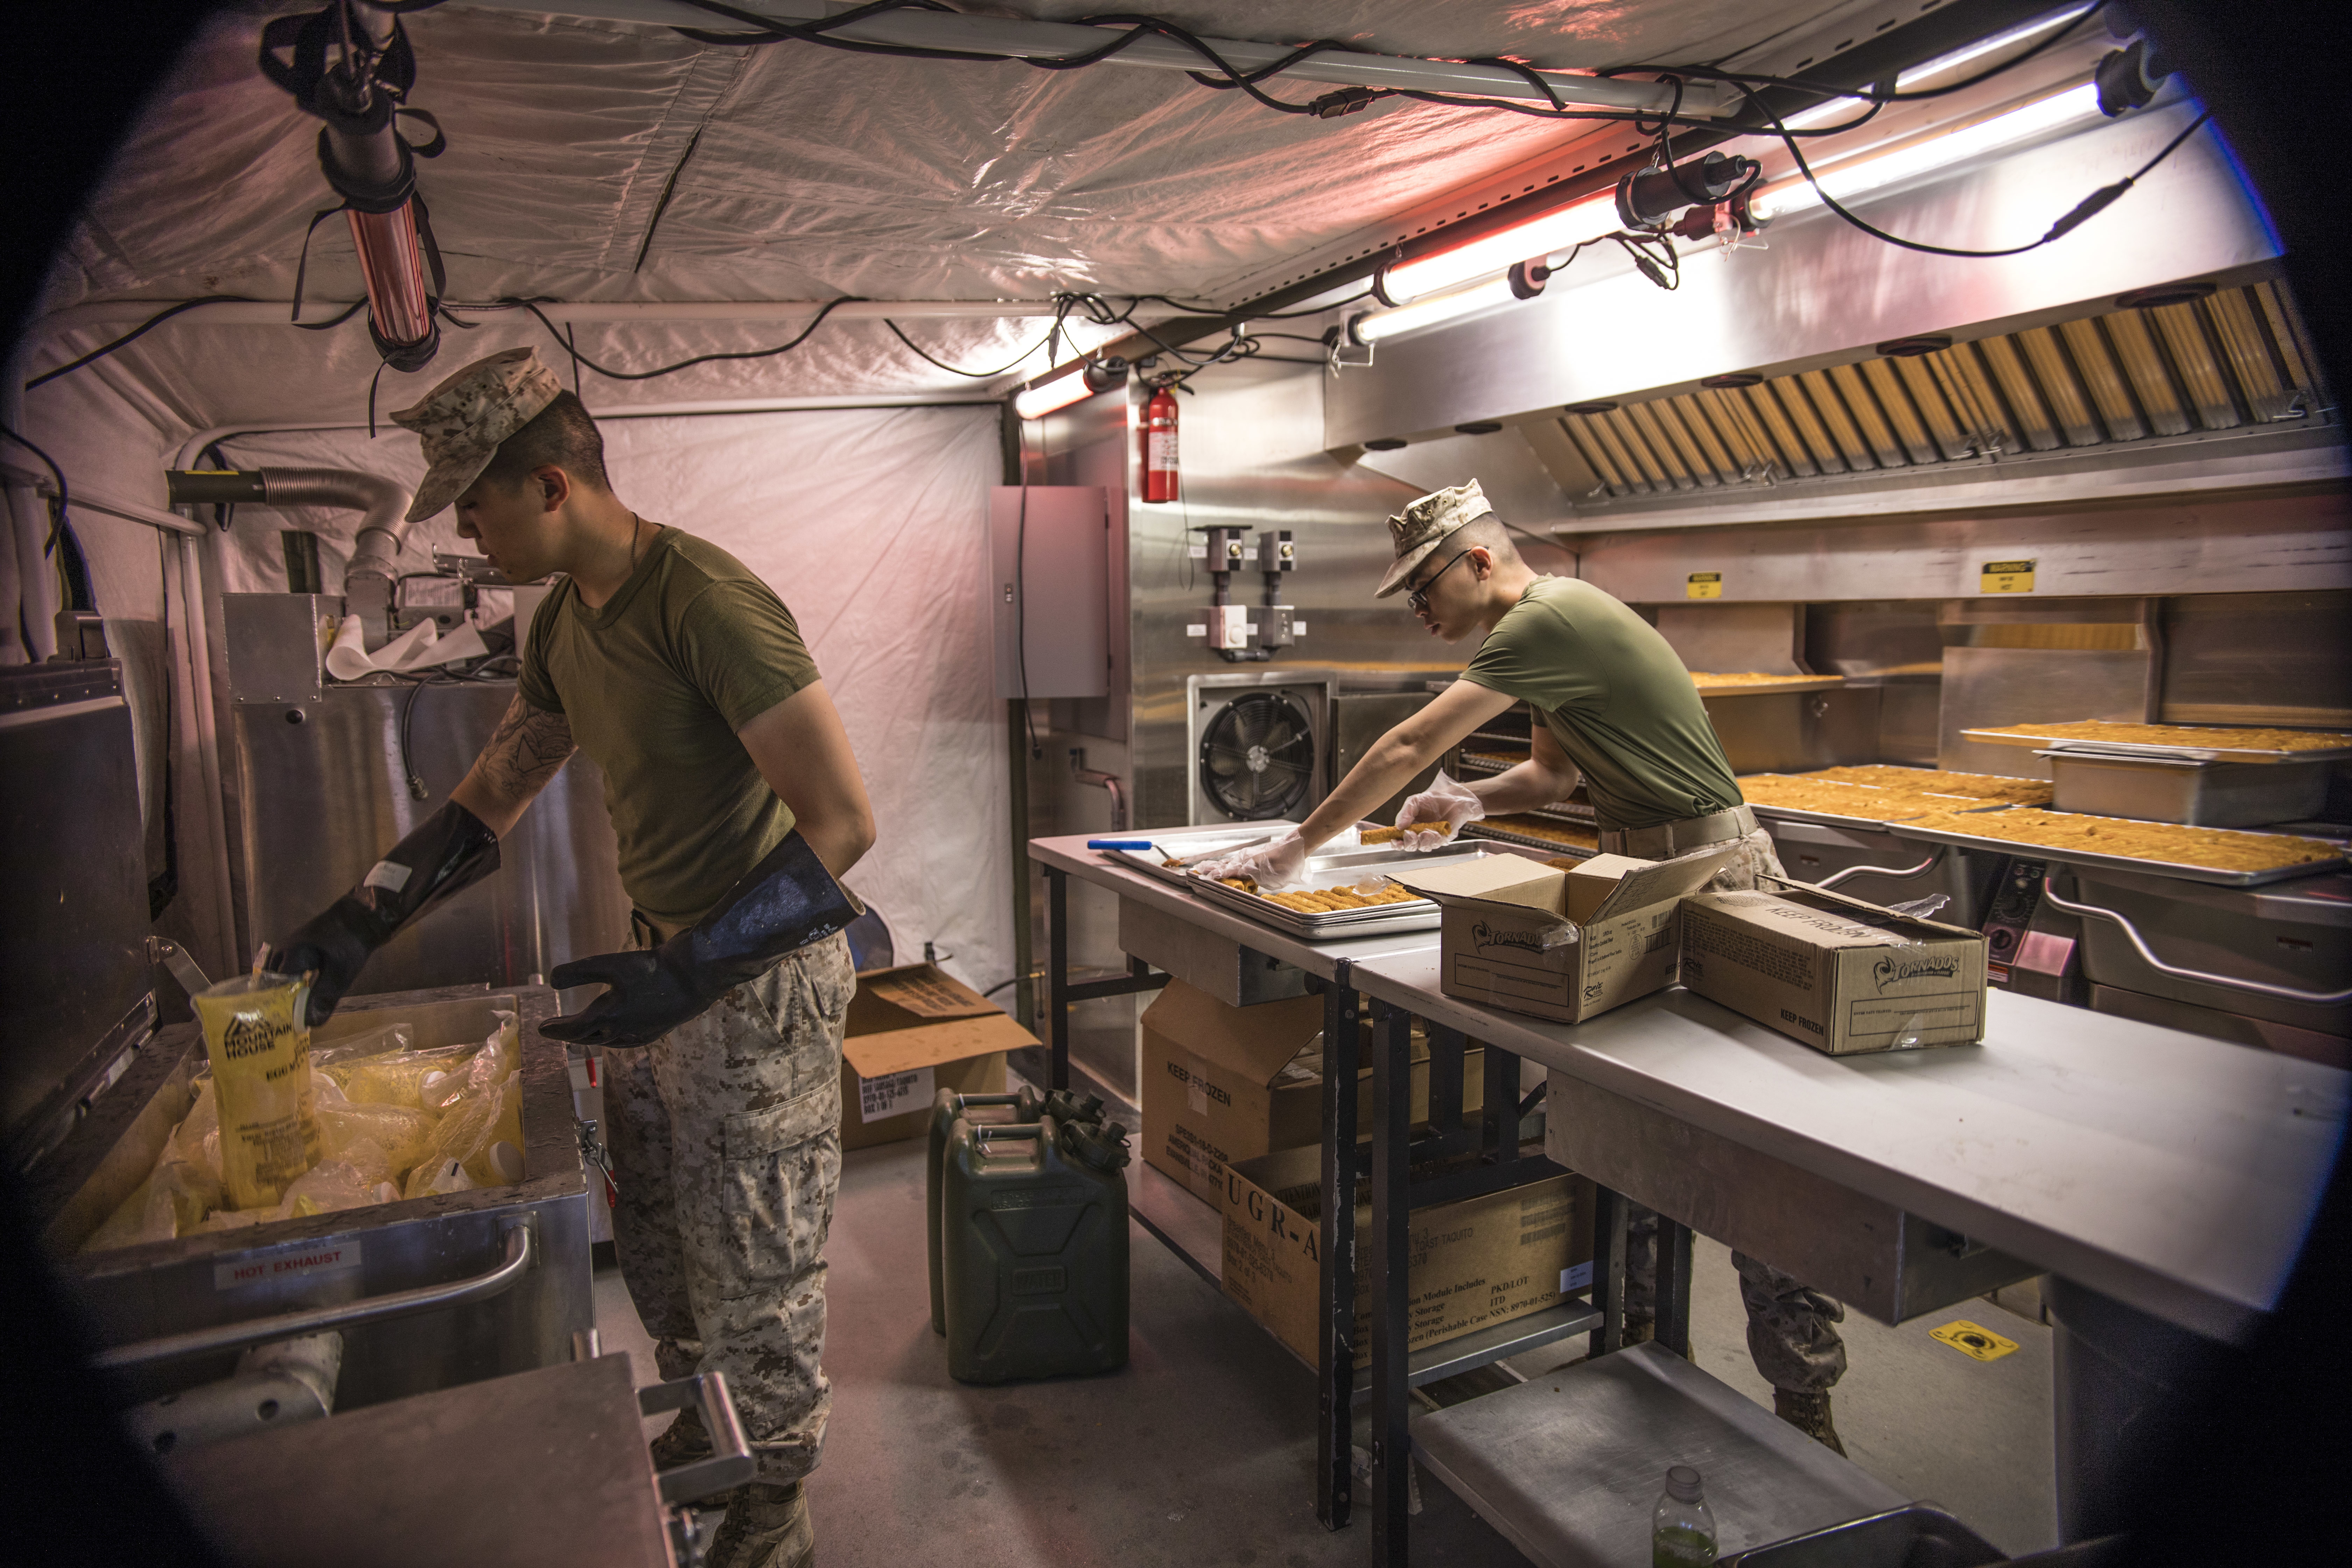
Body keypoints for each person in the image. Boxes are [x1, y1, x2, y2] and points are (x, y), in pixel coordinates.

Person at [268, 347, 874, 1568]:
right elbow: (496, 790)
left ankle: (773, 1519)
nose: (466, 532)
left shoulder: (706, 602)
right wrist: (356, 920)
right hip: (664, 976)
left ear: (549, 485)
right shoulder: (561, 622)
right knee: (661, 1253)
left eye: (475, 506)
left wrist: (699, 969)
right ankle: (710, 1451)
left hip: (754, 985)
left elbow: (845, 823)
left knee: (755, 1274)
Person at [1195, 478, 1849, 1450]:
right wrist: (1475, 803)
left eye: (1424, 590)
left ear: (1479, 561)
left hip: (1721, 883)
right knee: (1632, 1119)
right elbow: (1554, 774)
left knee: (1743, 1143)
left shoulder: (1552, 618)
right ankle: (1644, 1356)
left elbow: (1413, 740)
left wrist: (1298, 846)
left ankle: (1805, 1399)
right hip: (1646, 875)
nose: (1420, 612)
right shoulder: (1545, 637)